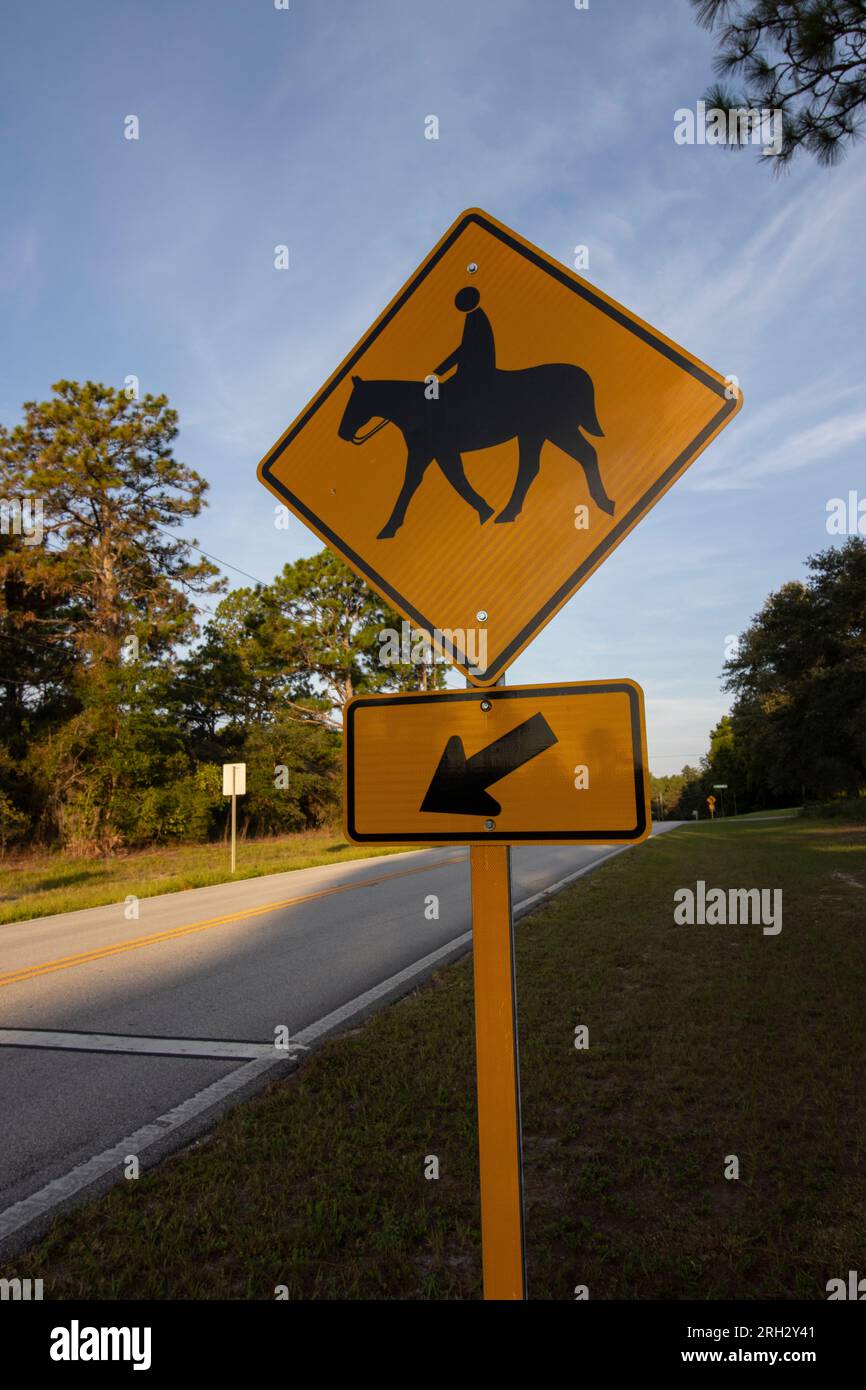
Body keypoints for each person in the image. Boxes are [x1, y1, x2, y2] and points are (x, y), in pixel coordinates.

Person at [433, 287, 496, 394]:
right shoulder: (472, 316)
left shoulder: (476, 318)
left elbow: (467, 348)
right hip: (472, 367)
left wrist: (441, 370)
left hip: (476, 369)